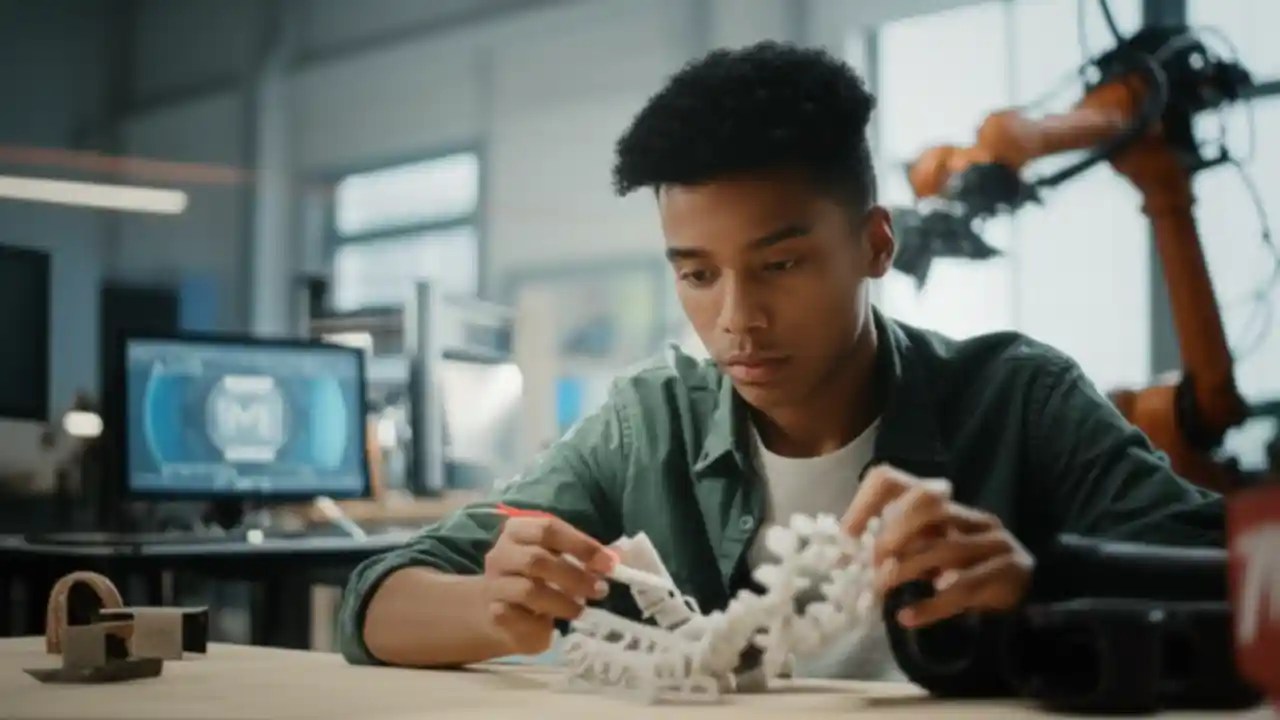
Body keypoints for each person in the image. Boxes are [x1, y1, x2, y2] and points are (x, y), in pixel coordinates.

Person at [336, 42, 1223, 690]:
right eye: (697, 275)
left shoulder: (1020, 399)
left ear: (875, 245)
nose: (737, 321)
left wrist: (1046, 583)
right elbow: (373, 600)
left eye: (782, 263)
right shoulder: (649, 426)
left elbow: (1245, 577)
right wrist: (495, 607)